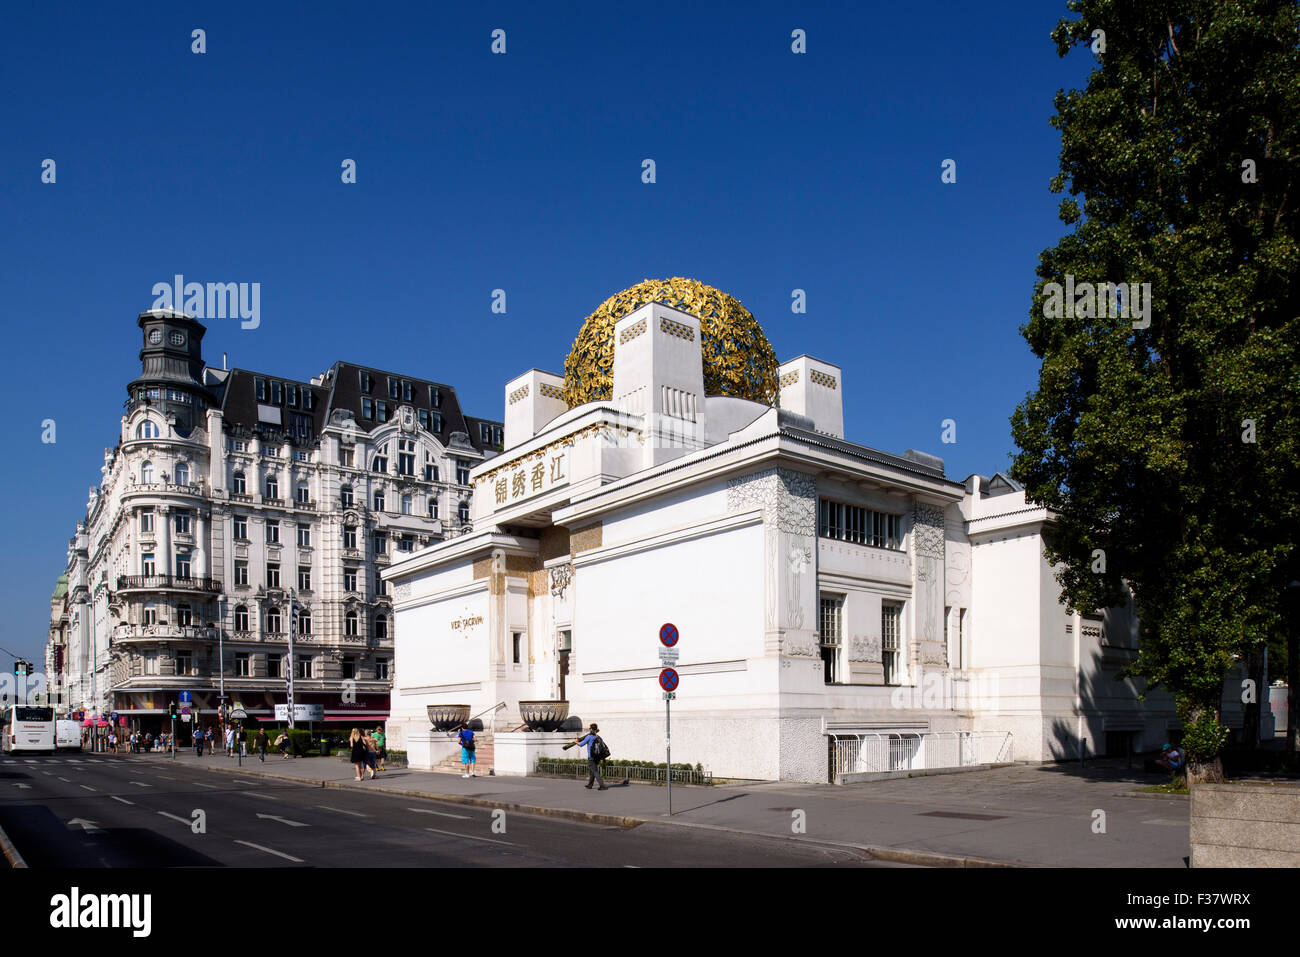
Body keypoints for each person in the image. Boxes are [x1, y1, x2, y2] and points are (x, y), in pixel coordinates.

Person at [573, 723, 609, 790]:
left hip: (591, 757)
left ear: (591, 729)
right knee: (592, 771)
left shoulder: (589, 737)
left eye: (590, 728)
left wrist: (576, 742)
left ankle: (602, 785)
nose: (589, 729)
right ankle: (590, 785)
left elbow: (581, 744)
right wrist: (603, 758)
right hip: (597, 757)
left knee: (595, 771)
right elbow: (602, 748)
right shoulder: (598, 737)